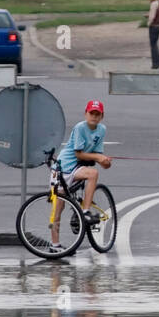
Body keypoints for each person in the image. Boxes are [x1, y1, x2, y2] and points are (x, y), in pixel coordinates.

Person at [51, 101, 111, 246]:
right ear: (86, 113)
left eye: (97, 114)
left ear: (102, 116)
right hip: (63, 167)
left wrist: (105, 162)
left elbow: (97, 154)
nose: (94, 117)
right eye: (92, 113)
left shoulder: (102, 130)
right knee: (58, 207)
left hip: (79, 168)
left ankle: (85, 211)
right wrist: (98, 157)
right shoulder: (80, 128)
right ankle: (55, 245)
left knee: (93, 173)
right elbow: (79, 154)